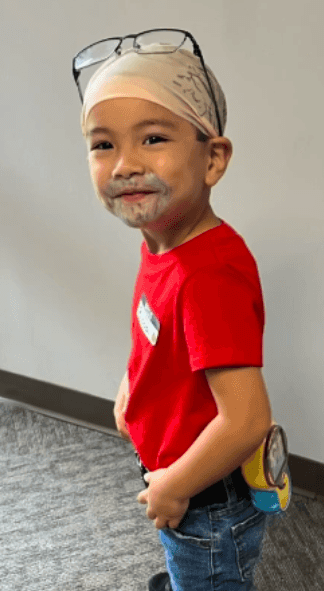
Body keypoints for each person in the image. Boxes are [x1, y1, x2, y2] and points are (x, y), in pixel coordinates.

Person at [74, 32, 275, 591]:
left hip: (208, 497)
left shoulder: (208, 276)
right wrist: (129, 387)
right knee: (188, 562)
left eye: (154, 138)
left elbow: (246, 419)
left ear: (213, 158)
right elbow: (156, 335)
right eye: (103, 145)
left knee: (208, 570)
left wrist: (174, 487)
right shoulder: (162, 239)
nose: (125, 165)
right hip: (181, 474)